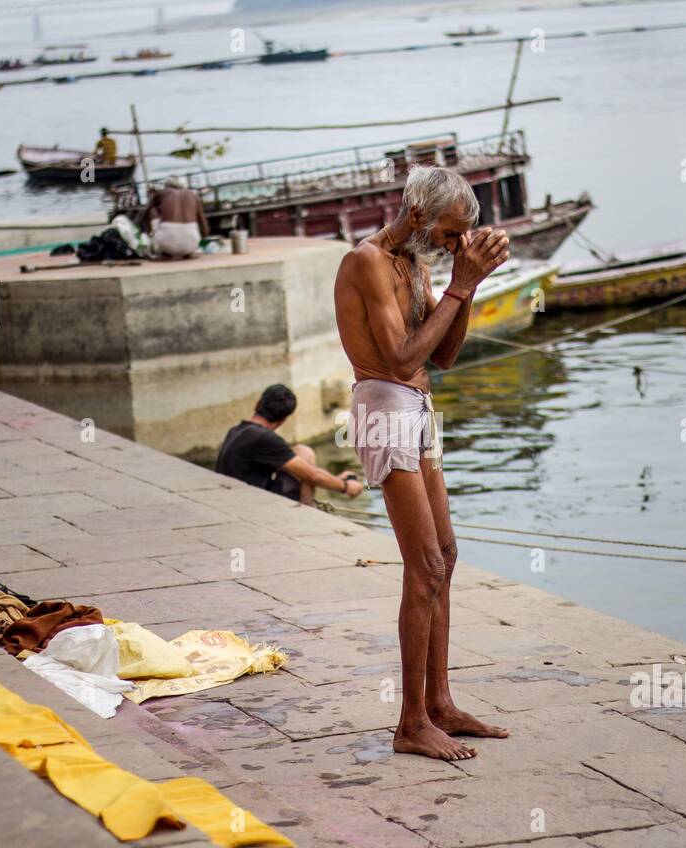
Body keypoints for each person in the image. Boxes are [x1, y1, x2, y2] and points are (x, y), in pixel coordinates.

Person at [333, 164, 510, 761]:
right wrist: (461, 283)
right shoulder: (367, 261)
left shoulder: (415, 263)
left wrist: (471, 281)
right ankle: (409, 723)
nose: (454, 244)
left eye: (461, 237)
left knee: (447, 557)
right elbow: (401, 353)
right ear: (416, 216)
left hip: (419, 404)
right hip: (383, 406)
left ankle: (439, 704)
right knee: (425, 563)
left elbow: (447, 354)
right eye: (449, 233)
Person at [216, 384, 364, 505]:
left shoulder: (237, 430)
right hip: (248, 505)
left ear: (257, 404)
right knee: (305, 453)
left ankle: (307, 506)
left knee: (299, 453)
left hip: (232, 496)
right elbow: (313, 476)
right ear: (284, 420)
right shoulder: (263, 438)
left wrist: (336, 479)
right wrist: (345, 486)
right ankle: (307, 509)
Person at [148, 176, 210, 259]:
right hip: (191, 245)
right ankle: (188, 253)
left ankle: (165, 254)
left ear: (166, 186)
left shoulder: (163, 193)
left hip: (166, 245)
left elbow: (147, 209)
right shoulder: (192, 194)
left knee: (153, 210)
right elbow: (204, 228)